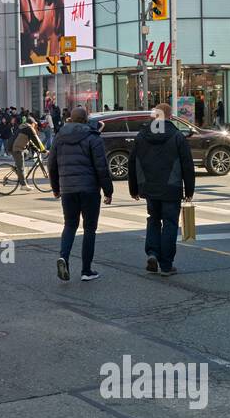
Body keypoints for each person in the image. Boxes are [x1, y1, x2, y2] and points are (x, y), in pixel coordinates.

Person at [128, 103, 195, 277]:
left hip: (149, 187)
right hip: (171, 187)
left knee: (153, 219)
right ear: (170, 116)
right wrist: (189, 190)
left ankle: (152, 253)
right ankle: (166, 264)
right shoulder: (177, 136)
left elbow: (132, 162)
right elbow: (187, 165)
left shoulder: (142, 135)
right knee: (170, 224)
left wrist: (133, 188)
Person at [48, 107, 113, 283]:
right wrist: (108, 191)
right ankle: (86, 270)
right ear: (86, 119)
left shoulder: (60, 137)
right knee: (89, 229)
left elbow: (52, 164)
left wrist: (55, 187)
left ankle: (64, 257)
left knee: (69, 225)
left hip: (68, 189)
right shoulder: (93, 136)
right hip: (90, 189)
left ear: (70, 119)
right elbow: (101, 167)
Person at [10, 115, 45, 191]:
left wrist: (36, 149)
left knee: (26, 154)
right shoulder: (29, 128)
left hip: (16, 147)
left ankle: (18, 170)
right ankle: (23, 185)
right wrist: (43, 150)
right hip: (16, 149)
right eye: (34, 124)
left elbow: (31, 142)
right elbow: (36, 140)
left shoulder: (24, 127)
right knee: (21, 167)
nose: (35, 125)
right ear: (32, 123)